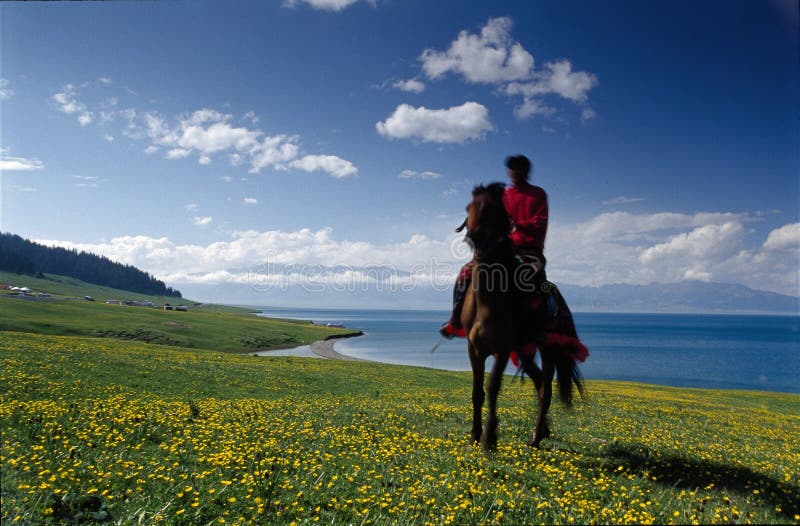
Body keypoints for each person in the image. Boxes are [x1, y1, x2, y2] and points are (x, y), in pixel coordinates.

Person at [439, 154, 548, 339]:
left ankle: (536, 325)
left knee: (534, 277)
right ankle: (455, 318)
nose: (513, 172)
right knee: (465, 273)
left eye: (517, 168)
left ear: (526, 171)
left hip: (529, 250)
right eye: (511, 168)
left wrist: (517, 225)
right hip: (501, 247)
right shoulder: (504, 196)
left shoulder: (538, 194)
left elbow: (540, 222)